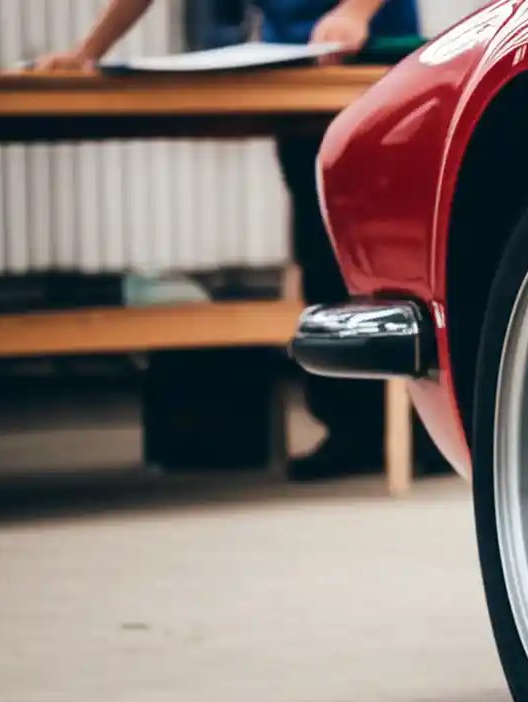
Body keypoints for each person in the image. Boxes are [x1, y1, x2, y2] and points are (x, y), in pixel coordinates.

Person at [37, 0, 445, 481]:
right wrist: (89, 51)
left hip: (370, 56)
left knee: (391, 255)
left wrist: (355, 12)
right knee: (320, 255)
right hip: (293, 63)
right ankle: (353, 429)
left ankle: (429, 432)